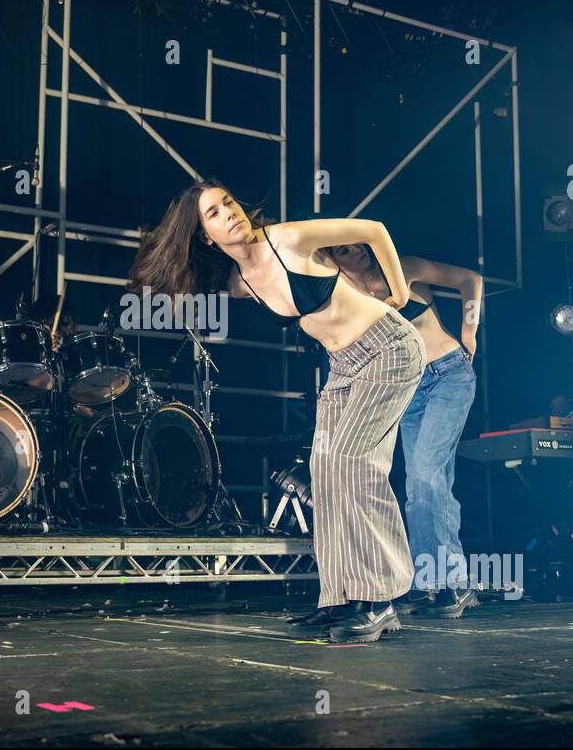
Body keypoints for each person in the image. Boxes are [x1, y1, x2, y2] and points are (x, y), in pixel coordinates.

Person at [128, 179, 424, 642]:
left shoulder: (287, 238)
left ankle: (380, 599)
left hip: (389, 348)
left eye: (229, 202)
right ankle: (340, 598)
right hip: (344, 366)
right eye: (214, 213)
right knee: (325, 472)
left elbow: (373, 229)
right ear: (206, 236)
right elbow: (180, 278)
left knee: (352, 463)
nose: (230, 212)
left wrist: (400, 293)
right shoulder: (238, 281)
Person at [325, 242, 482, 618]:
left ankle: (454, 582)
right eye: (342, 252)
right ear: (332, 261)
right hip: (406, 389)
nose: (354, 253)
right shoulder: (346, 295)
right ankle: (431, 582)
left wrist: (469, 329)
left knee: (427, 475)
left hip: (449, 375)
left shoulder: (402, 267)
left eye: (355, 246)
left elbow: (470, 279)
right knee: (420, 483)